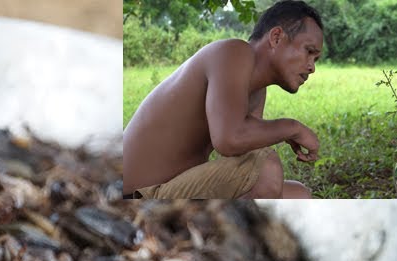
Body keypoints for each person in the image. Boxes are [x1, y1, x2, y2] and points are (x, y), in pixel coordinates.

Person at [124, 1, 324, 199]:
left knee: (299, 194)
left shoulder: (256, 90)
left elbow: (242, 155)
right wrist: (292, 128)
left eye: (315, 59)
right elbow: (229, 140)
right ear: (276, 37)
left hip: (175, 189)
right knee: (266, 168)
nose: (312, 67)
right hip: (136, 195)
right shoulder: (233, 52)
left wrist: (277, 133)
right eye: (309, 51)